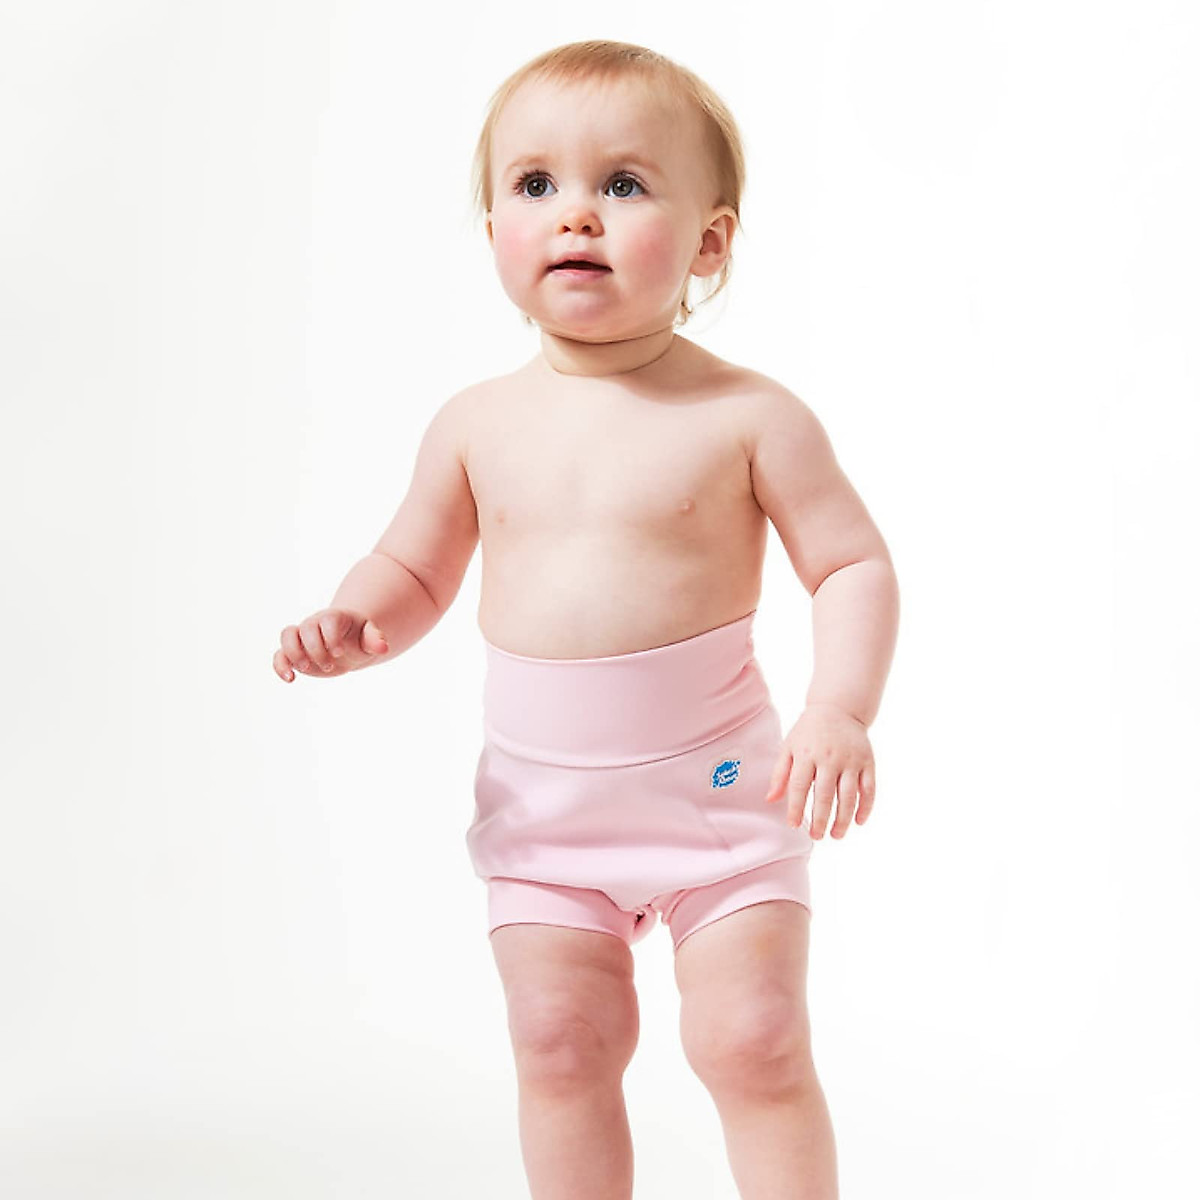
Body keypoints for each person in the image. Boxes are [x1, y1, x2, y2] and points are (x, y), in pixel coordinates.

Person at [273, 39, 899, 1200]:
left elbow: (852, 563)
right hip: (547, 815)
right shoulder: (474, 424)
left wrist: (840, 711)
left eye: (622, 183)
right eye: (534, 184)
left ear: (708, 242)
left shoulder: (749, 416)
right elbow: (413, 566)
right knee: (560, 1047)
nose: (575, 214)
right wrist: (360, 616)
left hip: (720, 797)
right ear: (494, 230)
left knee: (755, 1043)